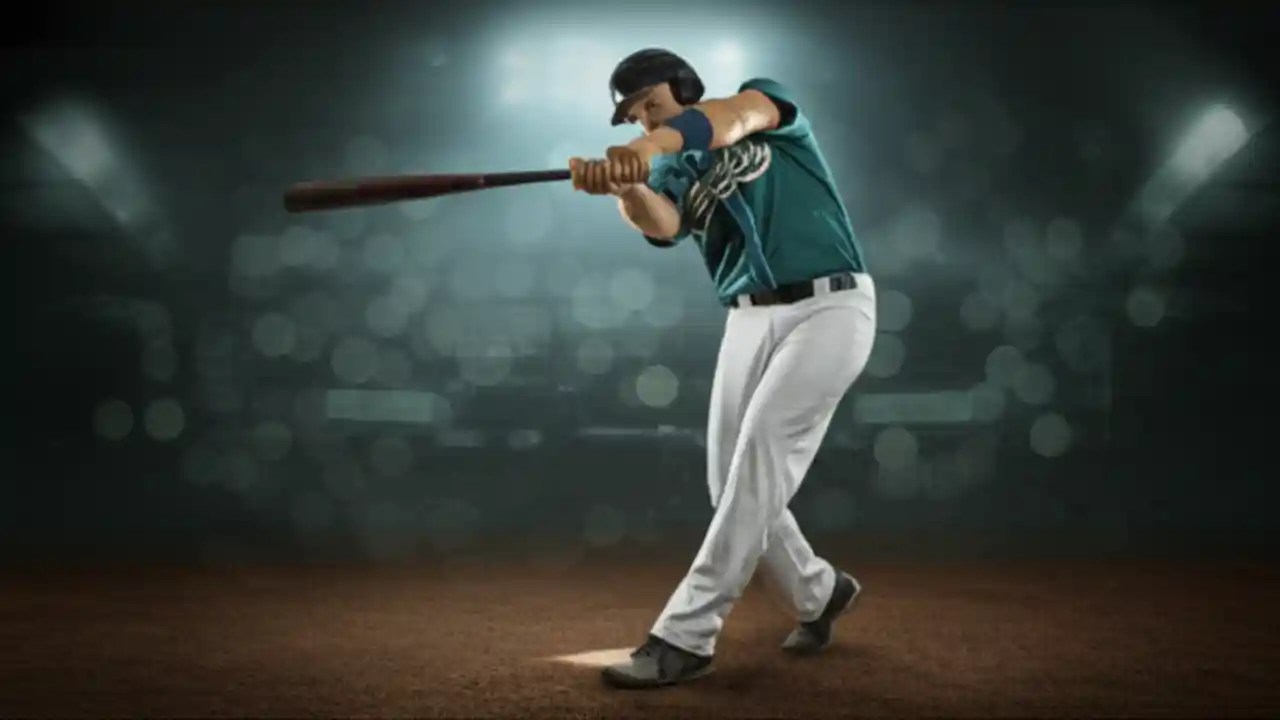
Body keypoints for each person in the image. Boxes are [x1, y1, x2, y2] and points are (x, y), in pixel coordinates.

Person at [568, 48, 877, 689]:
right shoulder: (670, 166)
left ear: (682, 85)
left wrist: (645, 148)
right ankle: (820, 592)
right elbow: (663, 224)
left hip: (831, 305)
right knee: (727, 482)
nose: (644, 119)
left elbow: (730, 121)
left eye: (650, 103)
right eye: (633, 116)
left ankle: (686, 636)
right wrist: (627, 185)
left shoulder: (761, 99)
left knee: (760, 458)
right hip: (748, 316)